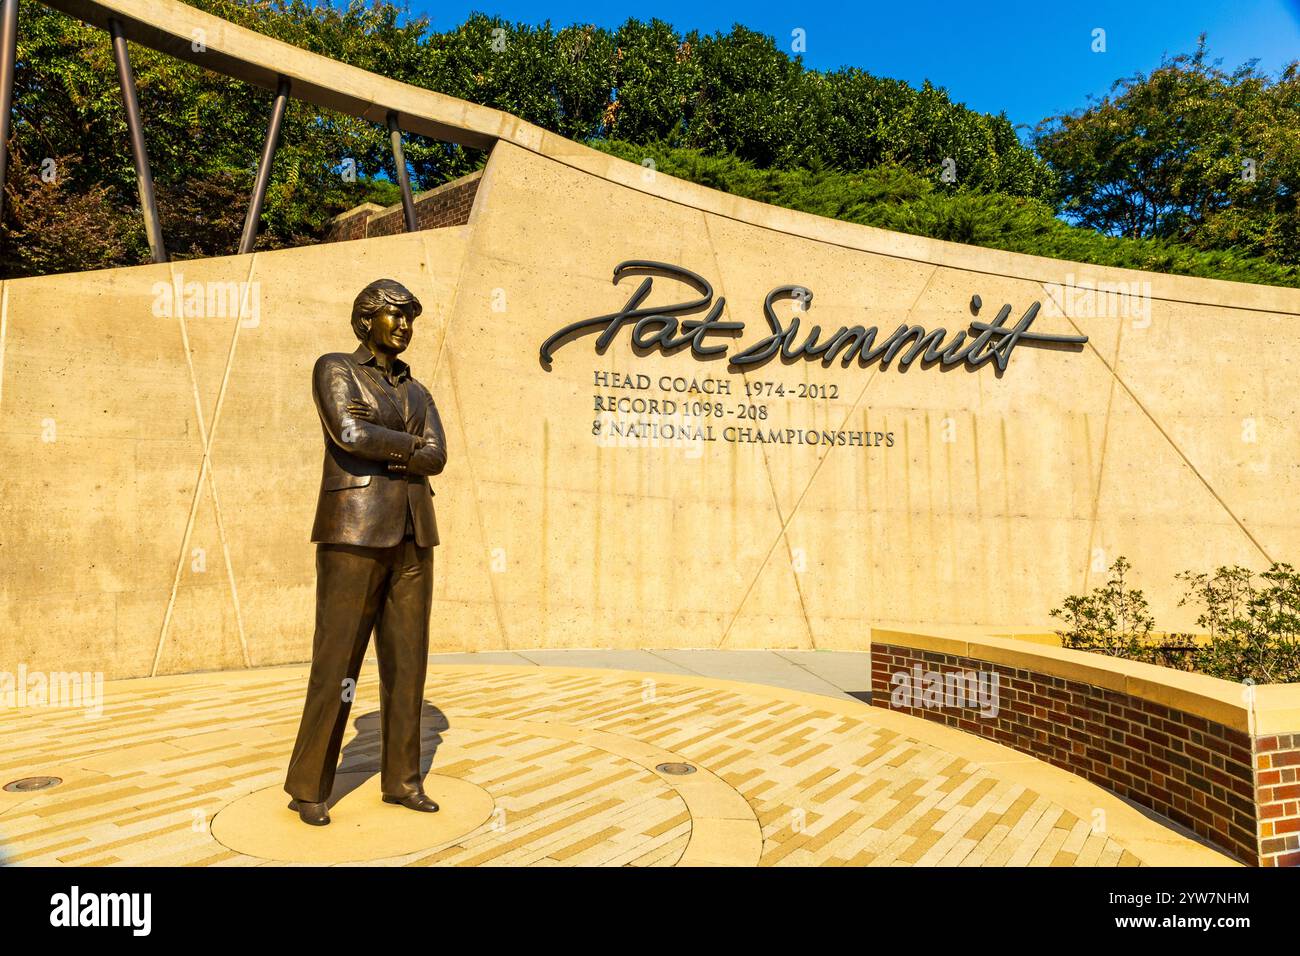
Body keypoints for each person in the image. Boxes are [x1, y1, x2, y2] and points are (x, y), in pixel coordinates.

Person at [283, 278, 447, 826]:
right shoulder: (336, 368)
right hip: (353, 531)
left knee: (408, 665)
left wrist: (392, 446)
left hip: (414, 534)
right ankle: (309, 786)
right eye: (393, 315)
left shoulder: (418, 390)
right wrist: (409, 449)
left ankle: (402, 780)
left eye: (410, 318)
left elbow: (438, 456)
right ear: (365, 321)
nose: (403, 326)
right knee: (337, 662)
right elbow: (351, 434)